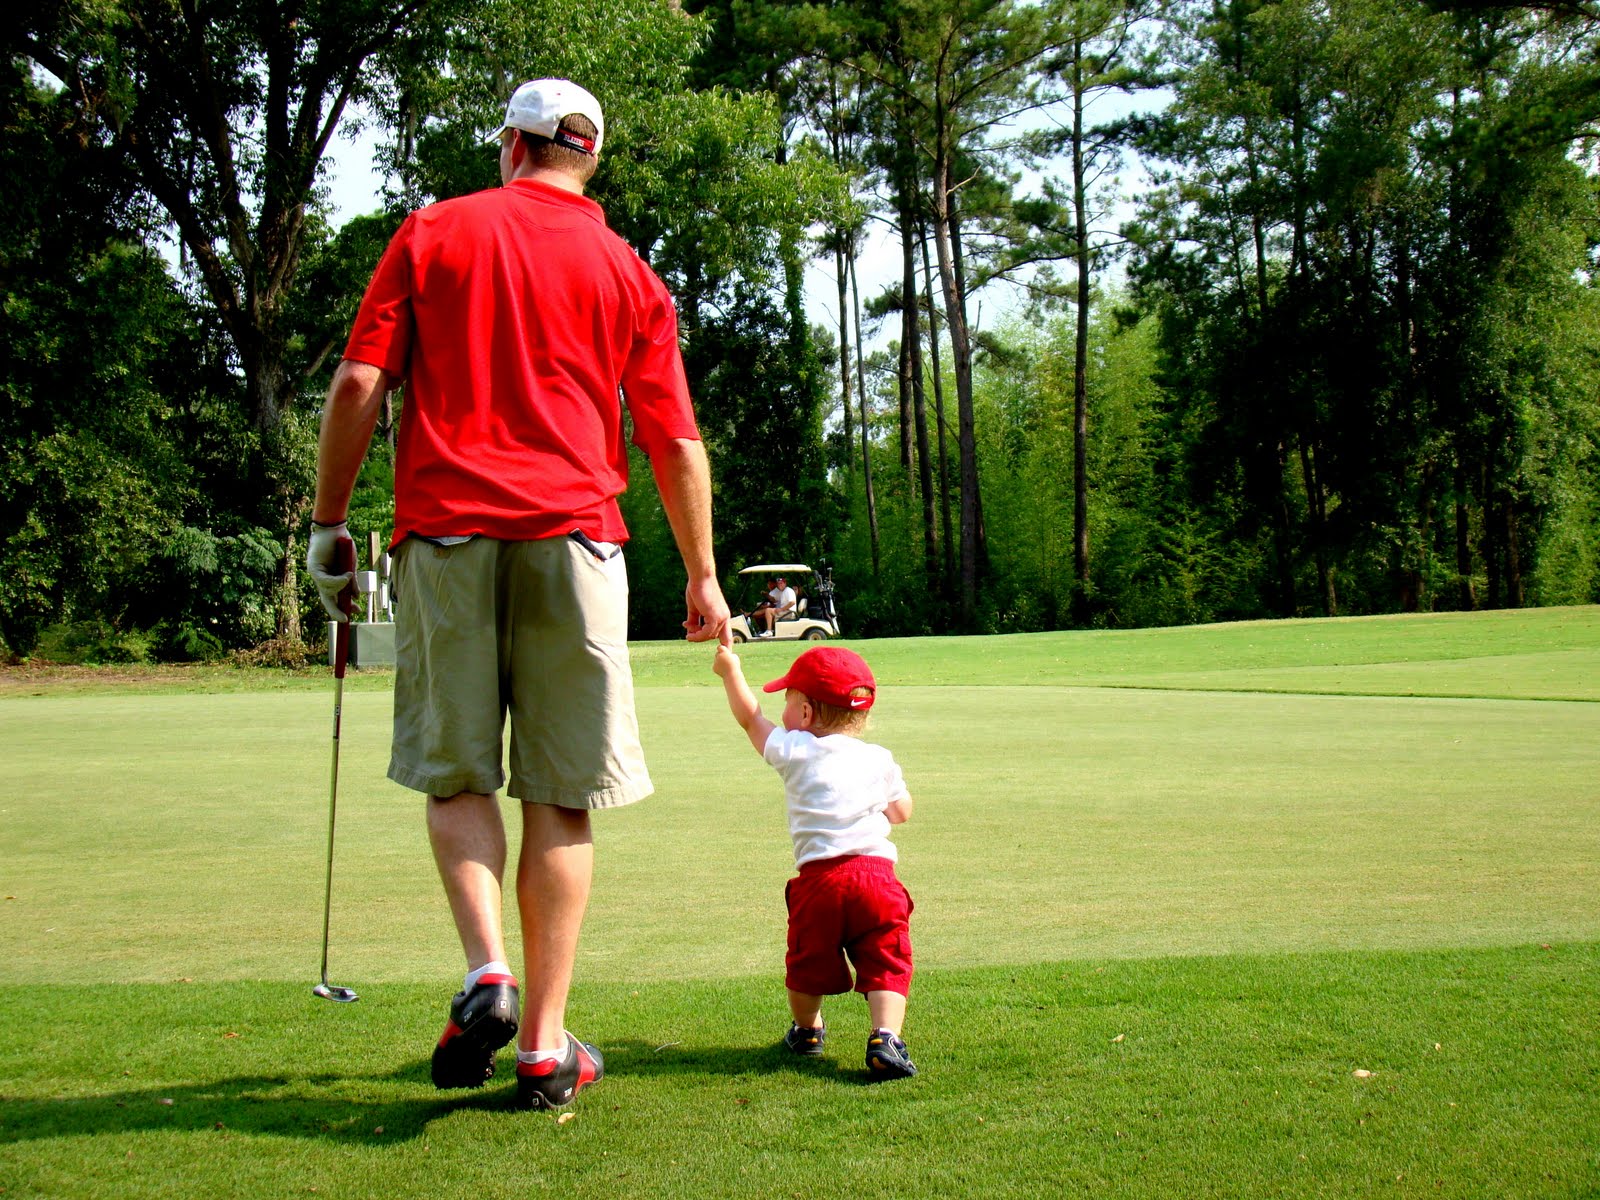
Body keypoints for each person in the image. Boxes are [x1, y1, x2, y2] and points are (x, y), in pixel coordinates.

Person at [304, 78, 730, 1111]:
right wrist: (705, 577)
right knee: (560, 796)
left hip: (443, 537)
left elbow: (361, 382)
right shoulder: (628, 267)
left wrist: (327, 523)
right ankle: (544, 1047)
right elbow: (672, 437)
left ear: (512, 145)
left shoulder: (432, 232)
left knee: (457, 778)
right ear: (590, 156)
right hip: (580, 540)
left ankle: (486, 969)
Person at [711, 643, 918, 1079]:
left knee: (807, 963)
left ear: (805, 714)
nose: (781, 711)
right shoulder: (878, 758)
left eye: (786, 701)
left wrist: (730, 670)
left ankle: (807, 1031)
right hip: (879, 879)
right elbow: (901, 812)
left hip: (820, 882)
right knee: (887, 960)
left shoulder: (795, 750)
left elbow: (750, 717)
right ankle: (886, 1037)